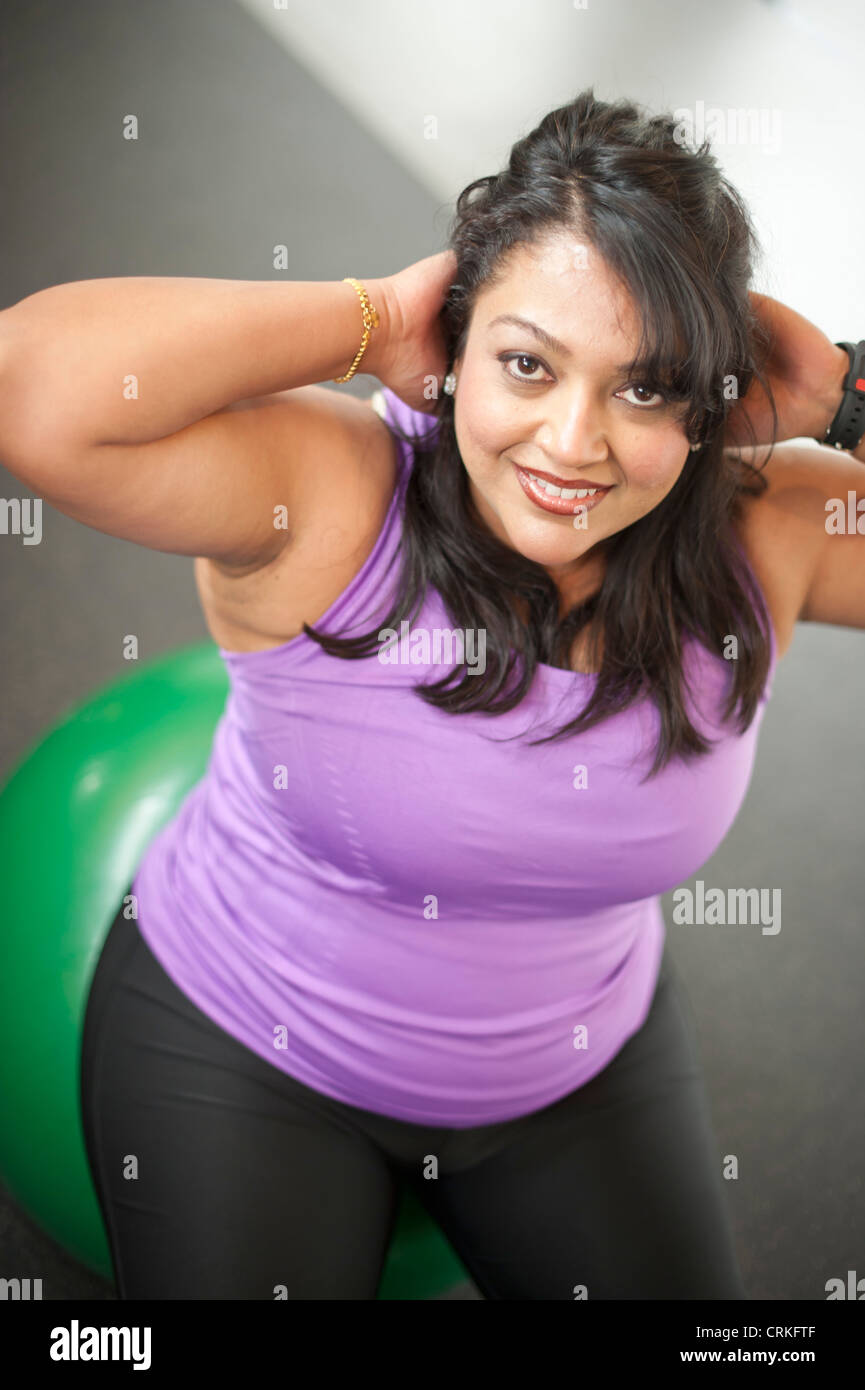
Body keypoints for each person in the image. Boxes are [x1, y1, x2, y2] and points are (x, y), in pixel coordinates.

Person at [0, 88, 861, 1301]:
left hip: (574, 1063)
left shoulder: (765, 529)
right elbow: (33, 390)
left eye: (644, 387)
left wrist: (849, 396)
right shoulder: (339, 496)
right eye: (525, 363)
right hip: (252, 1035)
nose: (573, 443)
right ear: (455, 345)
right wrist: (370, 321)